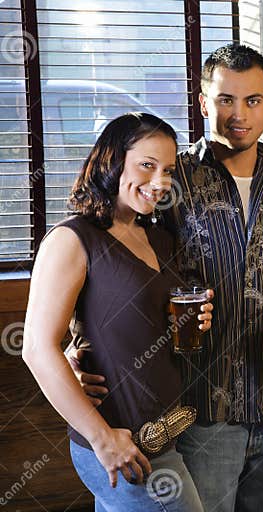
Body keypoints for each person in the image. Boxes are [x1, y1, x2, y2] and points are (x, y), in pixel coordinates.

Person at [69, 44, 263, 511]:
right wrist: (73, 349)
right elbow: (109, 260)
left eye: (252, 100)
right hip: (202, 413)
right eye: (225, 99)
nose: (239, 114)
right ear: (204, 103)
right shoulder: (168, 179)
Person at [23, 112, 214, 511]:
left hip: (167, 438)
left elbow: (132, 326)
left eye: (168, 170)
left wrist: (194, 320)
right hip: (125, 448)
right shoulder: (71, 239)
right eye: (147, 165)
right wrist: (102, 439)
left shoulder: (159, 237)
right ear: (112, 160)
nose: (161, 182)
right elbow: (37, 349)